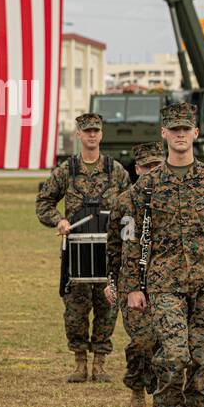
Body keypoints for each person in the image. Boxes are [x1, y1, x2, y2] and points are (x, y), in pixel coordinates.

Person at [118, 102, 204, 407]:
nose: (181, 135)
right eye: (174, 129)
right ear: (164, 134)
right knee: (173, 354)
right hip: (164, 282)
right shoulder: (148, 185)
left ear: (196, 134)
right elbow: (131, 240)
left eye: (187, 129)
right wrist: (133, 287)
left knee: (200, 359)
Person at [34, 112, 132, 382]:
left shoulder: (117, 171)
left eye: (95, 131)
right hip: (77, 253)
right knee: (75, 310)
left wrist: (125, 231)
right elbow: (43, 203)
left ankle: (100, 362)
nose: (91, 135)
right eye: (86, 131)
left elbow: (131, 205)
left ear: (101, 135)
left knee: (107, 307)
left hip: (108, 252)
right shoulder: (67, 170)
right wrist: (59, 220)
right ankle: (79, 362)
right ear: (78, 135)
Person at [105, 142, 164, 407]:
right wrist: (111, 282)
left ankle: (161, 399)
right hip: (131, 284)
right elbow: (114, 247)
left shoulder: (174, 199)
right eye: (147, 167)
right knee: (143, 340)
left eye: (158, 166)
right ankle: (138, 391)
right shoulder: (124, 202)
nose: (153, 172)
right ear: (137, 169)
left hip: (167, 280)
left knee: (166, 342)